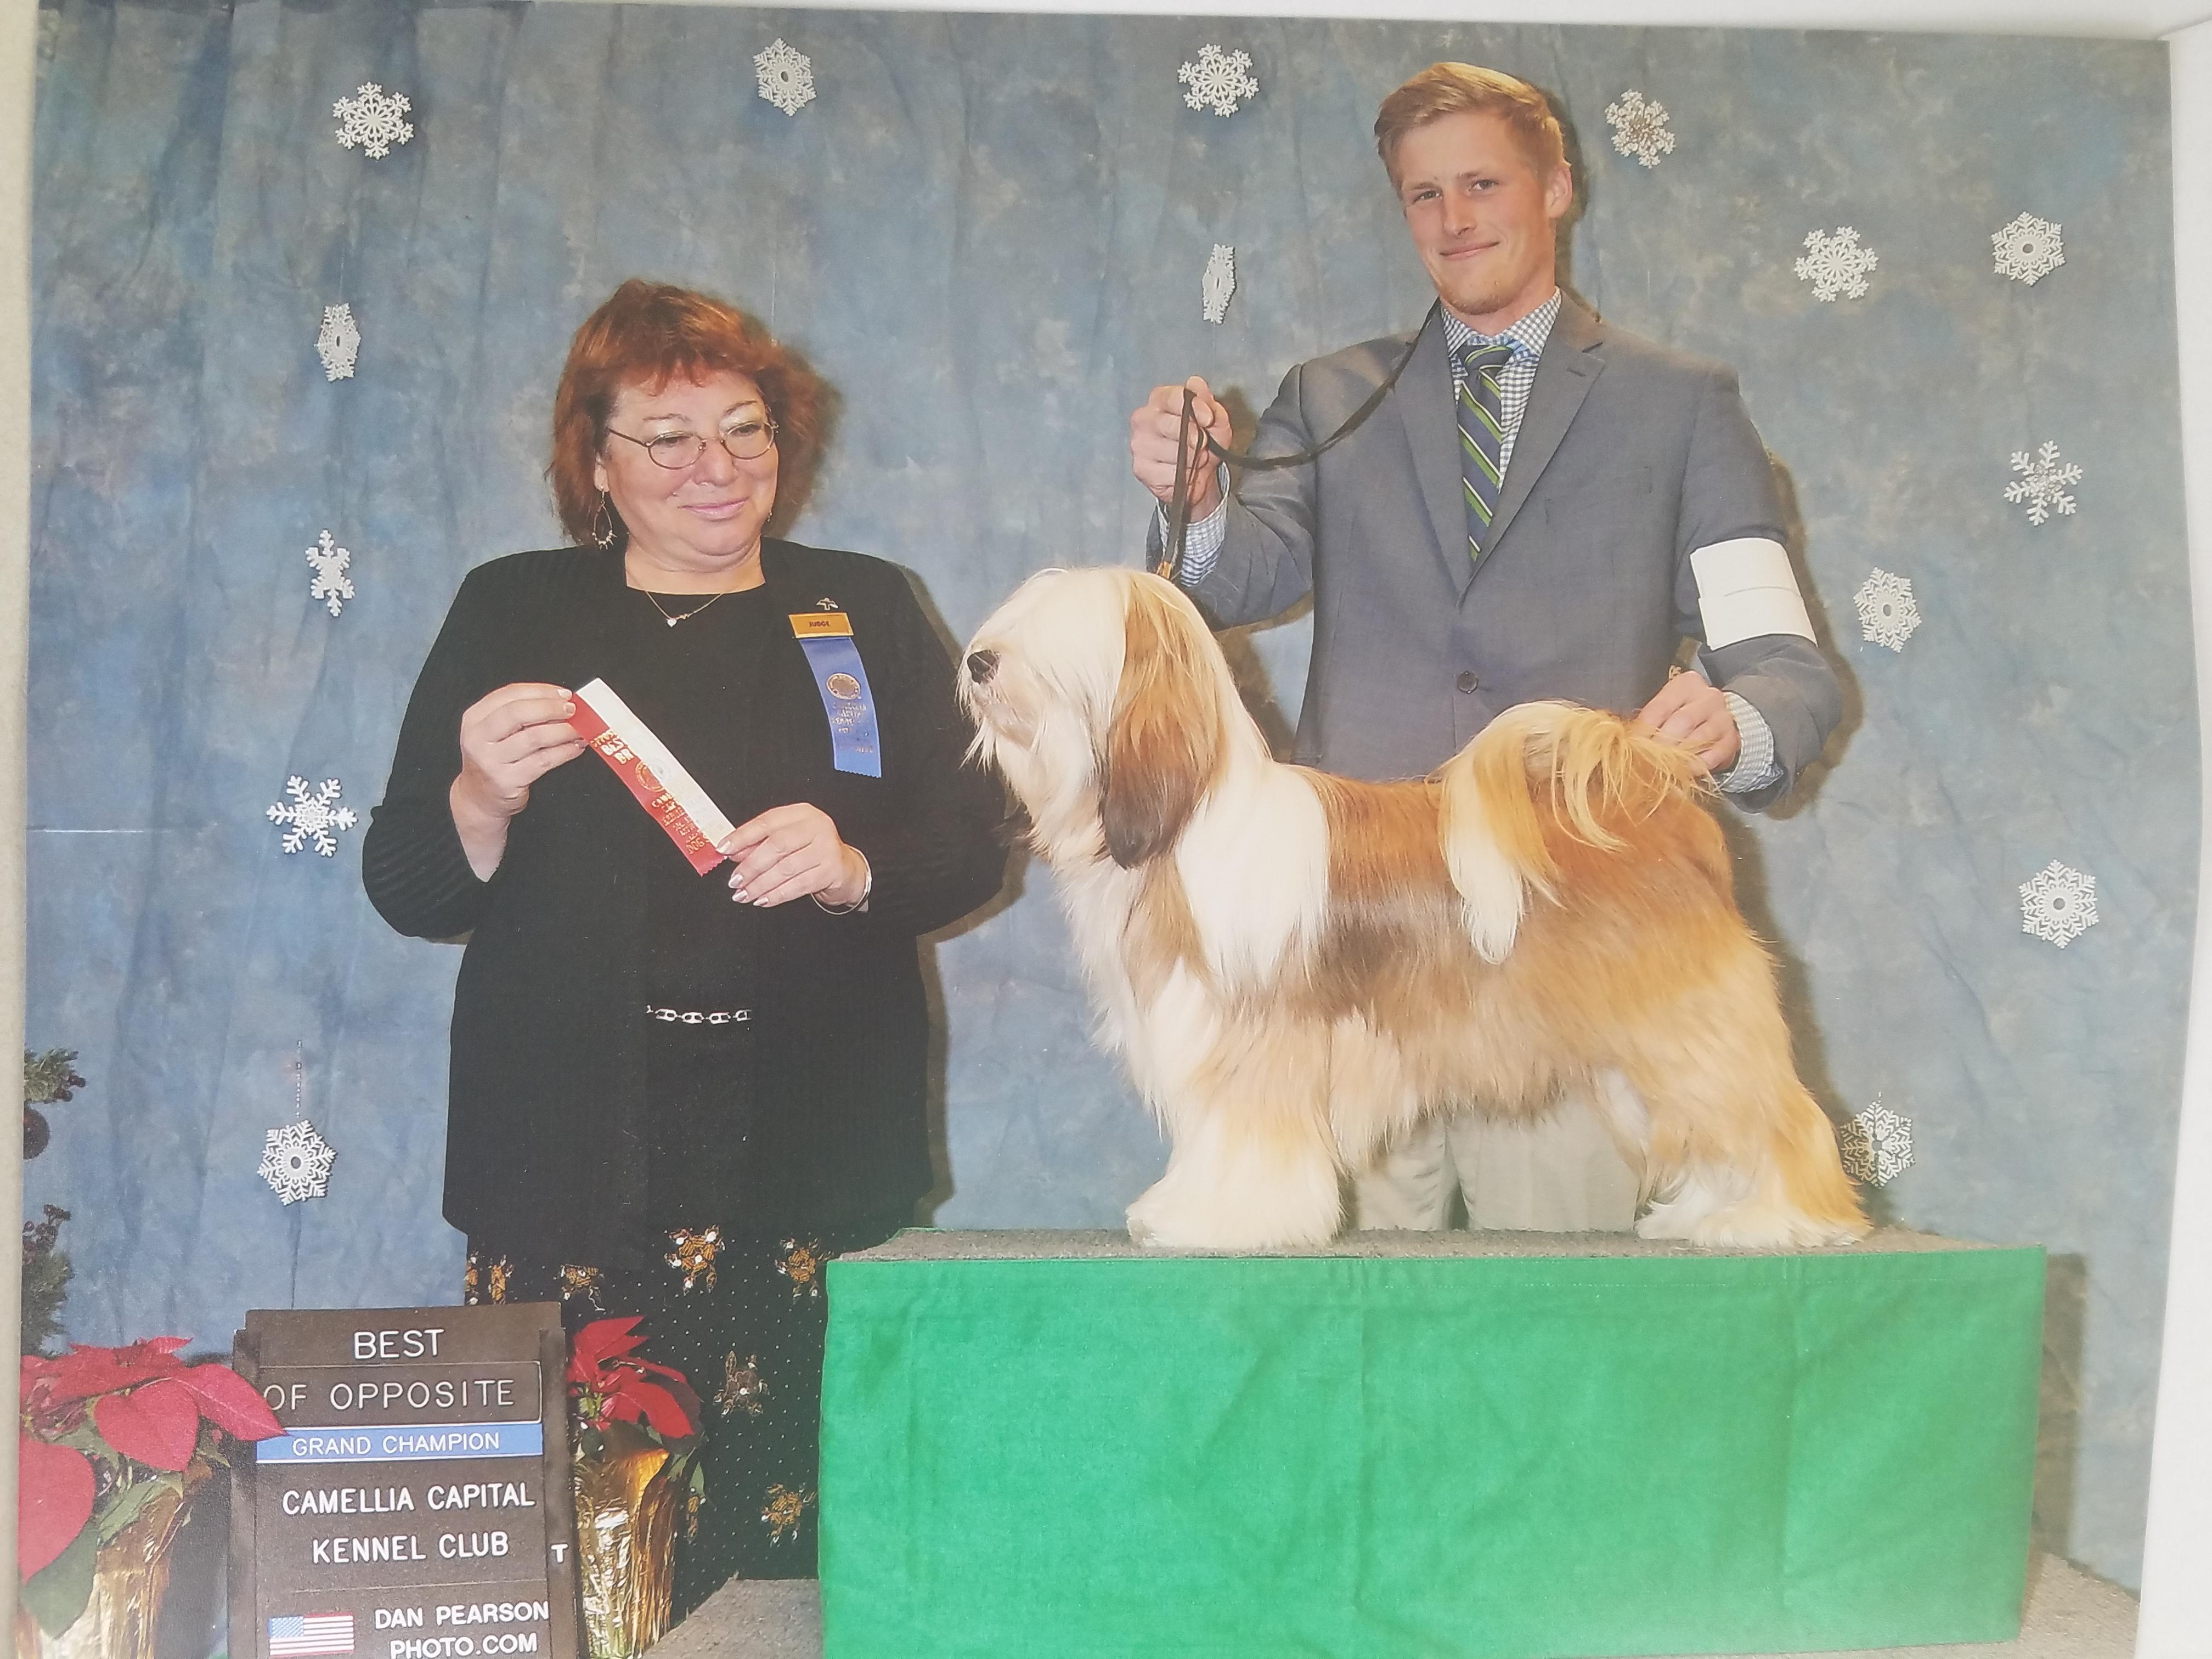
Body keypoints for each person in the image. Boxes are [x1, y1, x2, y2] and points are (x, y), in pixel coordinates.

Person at [363, 279, 1004, 1609]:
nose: (720, 467)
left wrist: (854, 865)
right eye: (669, 438)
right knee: (573, 1552)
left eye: (747, 429)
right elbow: (411, 885)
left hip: (813, 1146)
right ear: (594, 462)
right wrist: (478, 796)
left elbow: (974, 842)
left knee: (796, 1549)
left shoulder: (866, 606)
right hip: (564, 1149)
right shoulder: (512, 608)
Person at [1127, 63, 1841, 1235]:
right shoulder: (1333, 392)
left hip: (1566, 919)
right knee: (1339, 1320)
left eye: (1483, 183)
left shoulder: (1684, 404)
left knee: (1556, 1324)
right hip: (1354, 942)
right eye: (1423, 195)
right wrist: (1197, 500)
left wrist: (1739, 716)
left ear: (1557, 187)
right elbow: (1238, 580)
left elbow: (1784, 662)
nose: (1455, 220)